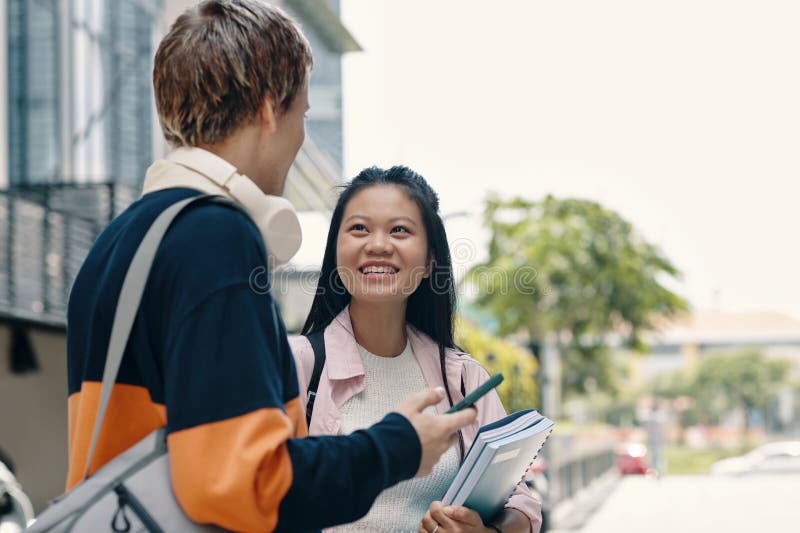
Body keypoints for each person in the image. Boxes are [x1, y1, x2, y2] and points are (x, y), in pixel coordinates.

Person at [65, 2, 475, 532]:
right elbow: (245, 483)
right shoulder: (216, 238)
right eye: (301, 114)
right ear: (266, 111)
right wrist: (396, 446)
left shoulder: (121, 241)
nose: (300, 140)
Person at [291, 166, 542, 533]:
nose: (377, 244)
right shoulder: (294, 365)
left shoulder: (462, 377)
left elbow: (521, 501)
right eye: (359, 228)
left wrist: (487, 531)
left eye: (400, 230)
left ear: (429, 262)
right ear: (336, 252)